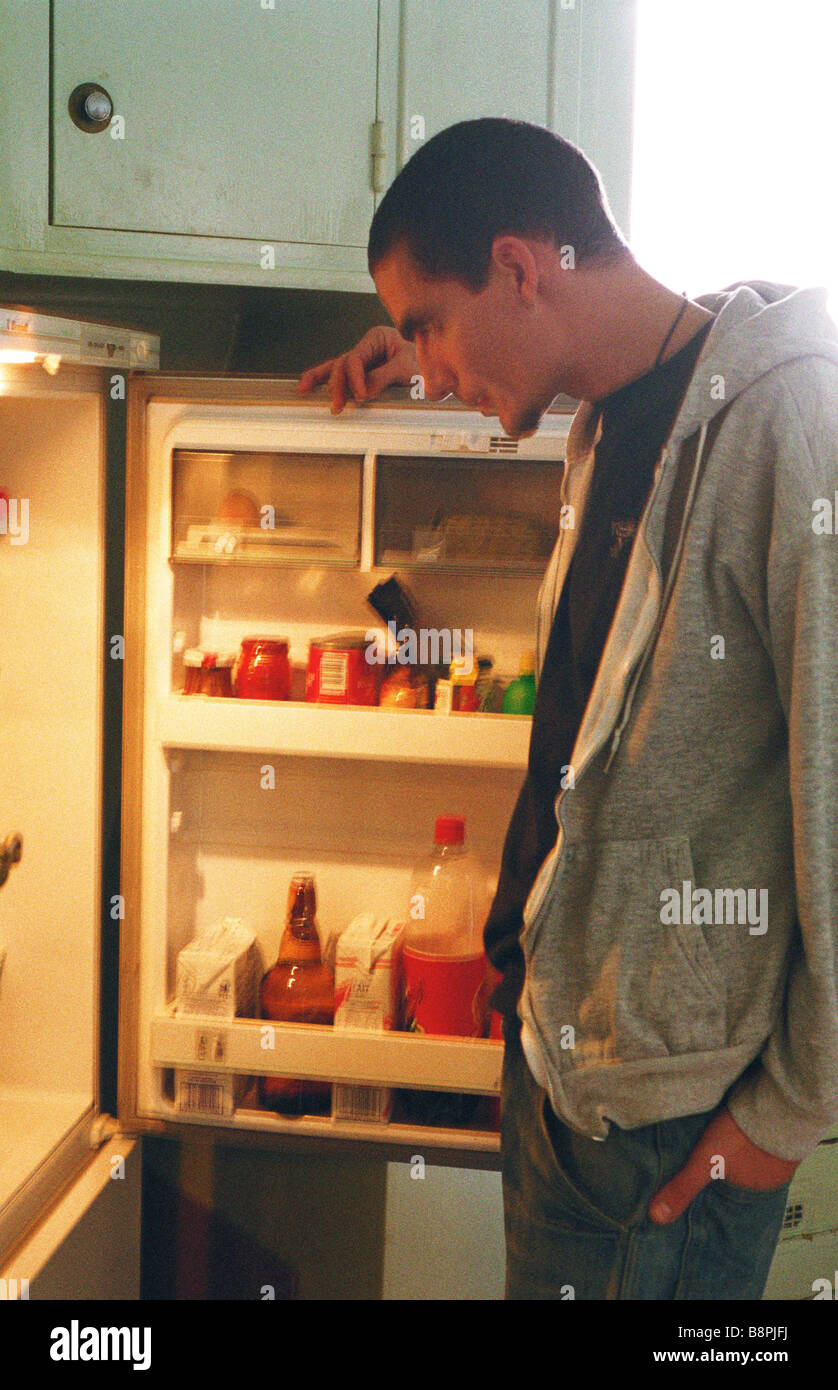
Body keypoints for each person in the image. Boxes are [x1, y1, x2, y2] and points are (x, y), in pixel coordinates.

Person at [298, 118, 838, 1300]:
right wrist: (417, 344)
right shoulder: (607, 421)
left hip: (668, 1121)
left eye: (430, 323)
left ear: (522, 266)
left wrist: (790, 1113)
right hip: (564, 1067)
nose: (431, 367)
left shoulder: (790, 424)